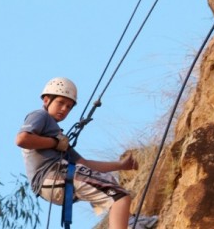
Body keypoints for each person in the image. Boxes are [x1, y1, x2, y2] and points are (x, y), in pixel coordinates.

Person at [15, 77, 138, 228]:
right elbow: (22, 139)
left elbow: (84, 164)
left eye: (69, 106)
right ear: (46, 100)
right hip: (54, 176)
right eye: (60, 102)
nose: (64, 109)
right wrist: (55, 142)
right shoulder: (40, 116)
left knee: (110, 183)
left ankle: (131, 223)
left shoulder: (58, 136)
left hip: (56, 181)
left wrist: (121, 165)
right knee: (120, 197)